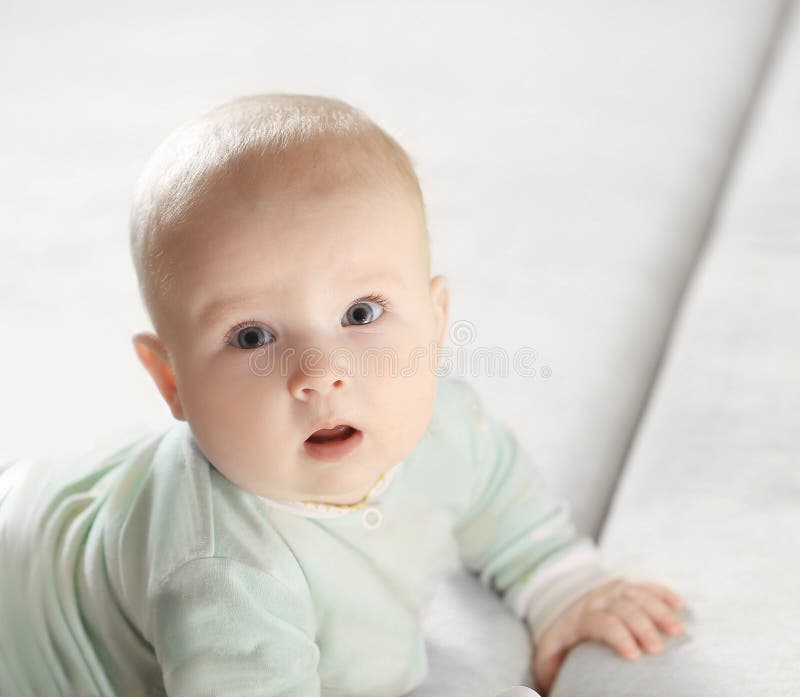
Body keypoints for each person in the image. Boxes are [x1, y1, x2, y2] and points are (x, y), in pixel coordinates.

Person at [0, 94, 686, 697]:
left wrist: (561, 584)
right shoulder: (220, 570)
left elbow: (499, 496)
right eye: (251, 335)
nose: (319, 373)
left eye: (360, 313)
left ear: (435, 322)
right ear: (171, 380)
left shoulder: (445, 422)